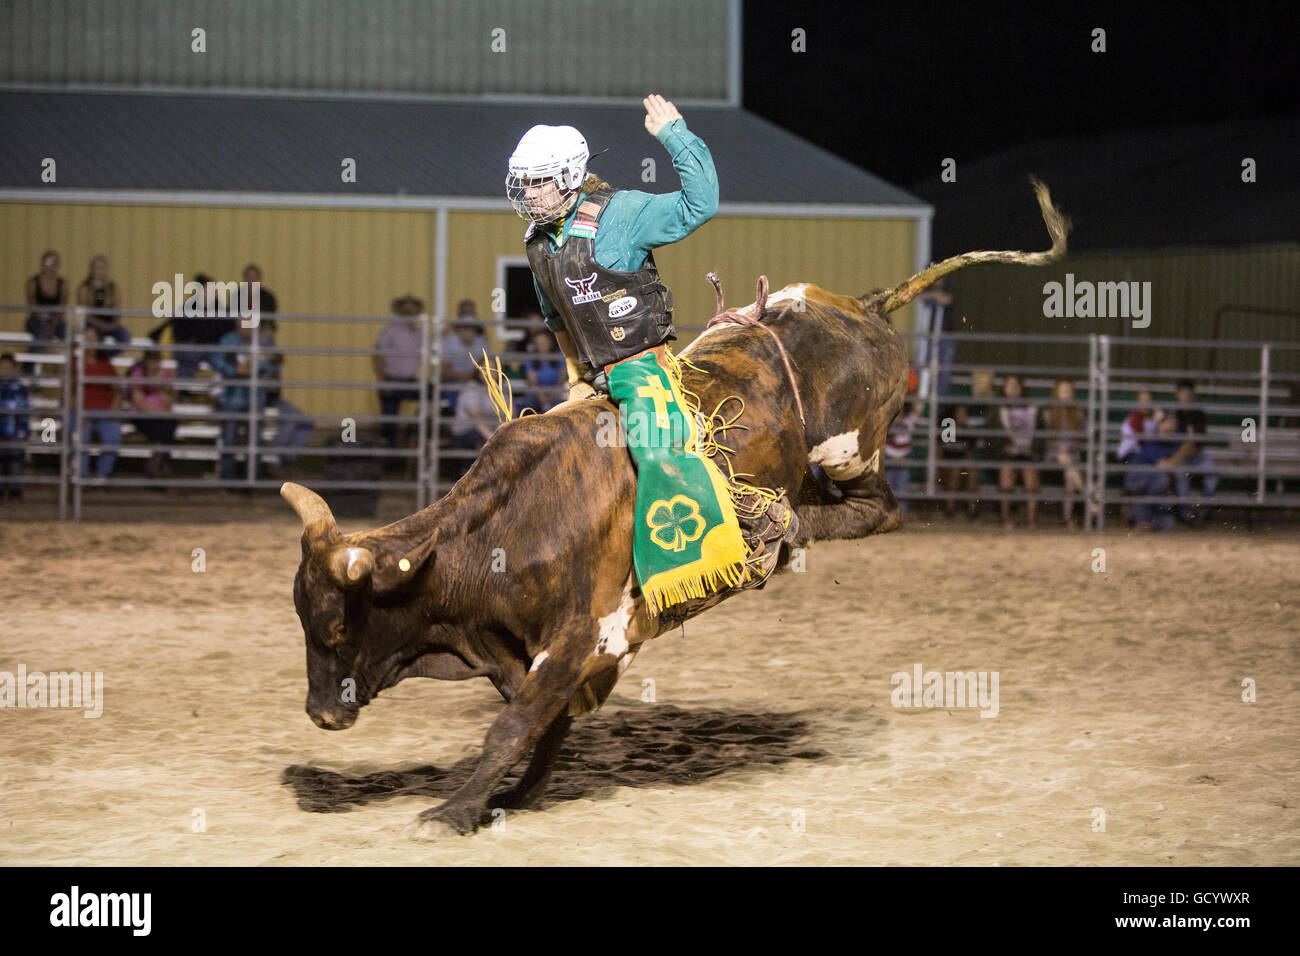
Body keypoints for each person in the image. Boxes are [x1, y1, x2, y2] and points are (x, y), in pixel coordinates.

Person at [508, 93, 793, 608]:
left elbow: (699, 205)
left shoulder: (625, 213)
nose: (529, 193)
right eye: (523, 182)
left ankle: (728, 541)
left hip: (643, 370)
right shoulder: (537, 243)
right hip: (594, 377)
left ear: (571, 177)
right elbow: (558, 318)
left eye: (539, 181)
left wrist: (674, 133)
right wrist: (575, 379)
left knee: (658, 451)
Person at [211, 320, 278, 482]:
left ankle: (252, 479)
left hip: (256, 397)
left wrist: (255, 366)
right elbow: (216, 360)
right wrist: (234, 370)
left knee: (254, 440)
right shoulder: (228, 340)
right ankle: (228, 480)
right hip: (232, 396)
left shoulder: (264, 341)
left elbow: (275, 365)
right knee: (229, 437)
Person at [373, 294, 428, 466]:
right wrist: (383, 380)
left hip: (411, 381)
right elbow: (378, 355)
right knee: (389, 422)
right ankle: (388, 463)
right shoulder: (390, 330)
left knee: (432, 396)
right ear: (400, 310)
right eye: (407, 308)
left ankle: (421, 455)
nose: (411, 312)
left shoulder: (420, 333)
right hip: (392, 379)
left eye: (414, 309)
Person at [258, 318, 312, 477]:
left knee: (306, 422)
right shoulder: (254, 348)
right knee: (291, 417)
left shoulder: (271, 349)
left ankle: (287, 459)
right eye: (267, 332)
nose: (271, 336)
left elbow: (276, 361)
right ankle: (276, 459)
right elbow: (265, 363)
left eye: (272, 332)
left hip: (273, 399)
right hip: (259, 398)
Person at [1163, 379, 1218, 522]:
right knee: (1181, 475)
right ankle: (1186, 515)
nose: (1186, 396)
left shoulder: (1199, 413)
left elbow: (1200, 439)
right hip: (1178, 455)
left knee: (1211, 470)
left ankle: (1205, 511)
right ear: (1177, 394)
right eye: (1183, 393)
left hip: (1196, 455)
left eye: (1189, 393)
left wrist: (1193, 448)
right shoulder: (1172, 412)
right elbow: (1168, 435)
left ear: (1193, 395)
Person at [74, 327, 123, 479]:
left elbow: (117, 390)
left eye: (93, 338)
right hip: (81, 410)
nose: (90, 341)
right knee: (82, 436)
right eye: (87, 338)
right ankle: (83, 476)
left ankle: (102, 475)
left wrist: (113, 410)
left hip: (104, 411)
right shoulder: (74, 364)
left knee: (113, 437)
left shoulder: (106, 365)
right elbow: (69, 393)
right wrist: (80, 412)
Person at [997, 373, 1039, 528]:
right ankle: (1005, 518)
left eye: (1015, 385)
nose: (1012, 389)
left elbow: (1040, 433)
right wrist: (1004, 446)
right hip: (1007, 454)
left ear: (1021, 388)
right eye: (1008, 385)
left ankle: (1031, 520)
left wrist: (1032, 448)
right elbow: (992, 434)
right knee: (1007, 475)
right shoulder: (998, 409)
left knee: (1031, 477)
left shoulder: (1032, 408)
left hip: (1028, 453)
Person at [1044, 378, 1087, 529]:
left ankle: (1068, 519)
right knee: (1068, 464)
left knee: (1070, 474)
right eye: (1063, 391)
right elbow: (1044, 438)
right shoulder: (1048, 412)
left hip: (1072, 454)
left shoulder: (1078, 413)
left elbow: (1082, 437)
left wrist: (1070, 448)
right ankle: (1088, 498)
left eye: (1069, 391)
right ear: (1057, 393)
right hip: (1052, 454)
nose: (1066, 394)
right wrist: (1059, 449)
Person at [127, 349, 177, 479]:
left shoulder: (166, 375)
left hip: (162, 416)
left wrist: (160, 384)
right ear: (145, 362)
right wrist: (159, 412)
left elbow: (168, 402)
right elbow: (139, 404)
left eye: (156, 361)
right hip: (142, 416)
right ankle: (161, 465)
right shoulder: (138, 374)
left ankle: (155, 464)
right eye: (151, 361)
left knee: (170, 424)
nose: (154, 365)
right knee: (163, 430)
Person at [1129, 412, 1182, 530]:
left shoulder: (1173, 443)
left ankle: (1141, 517)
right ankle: (1141, 518)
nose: (1173, 425)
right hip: (1139, 479)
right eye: (1169, 422)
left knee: (1168, 524)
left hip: (1154, 487)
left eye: (1174, 422)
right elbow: (1163, 466)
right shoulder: (1152, 440)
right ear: (1160, 424)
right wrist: (1182, 453)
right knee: (1161, 479)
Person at [440, 301, 490, 417]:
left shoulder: (482, 342)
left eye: (471, 327)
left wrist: (472, 377)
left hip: (476, 385)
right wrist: (472, 376)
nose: (468, 331)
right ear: (459, 328)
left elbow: (487, 368)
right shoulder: (448, 342)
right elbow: (445, 373)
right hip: (454, 386)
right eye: (464, 327)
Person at [77, 255, 131, 357]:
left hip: (110, 324)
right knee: (94, 338)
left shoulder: (113, 287)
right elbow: (85, 313)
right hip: (92, 324)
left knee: (125, 337)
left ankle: (105, 357)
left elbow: (117, 310)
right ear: (92, 270)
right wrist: (100, 325)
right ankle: (99, 357)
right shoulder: (85, 288)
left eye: (102, 268)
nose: (100, 272)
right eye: (97, 268)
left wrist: (113, 325)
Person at [937, 403, 980, 519]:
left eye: (964, 413)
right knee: (956, 471)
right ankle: (950, 509)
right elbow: (940, 452)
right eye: (960, 413)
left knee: (971, 473)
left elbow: (970, 454)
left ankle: (972, 510)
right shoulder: (947, 429)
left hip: (963, 467)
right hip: (948, 465)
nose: (963, 416)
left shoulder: (969, 432)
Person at [884, 389, 919, 518]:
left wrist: (913, 393)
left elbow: (918, 408)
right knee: (888, 489)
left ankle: (901, 516)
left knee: (902, 488)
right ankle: (888, 516)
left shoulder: (910, 419)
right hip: (888, 458)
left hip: (903, 458)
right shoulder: (888, 419)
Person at [0, 353, 30, 501]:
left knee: (14, 462)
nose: (4, 370)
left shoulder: (20, 388)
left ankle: (14, 491)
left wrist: (23, 433)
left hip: (14, 431)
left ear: (14, 369)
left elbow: (24, 412)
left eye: (8, 368)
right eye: (2, 367)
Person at [25, 250, 66, 351]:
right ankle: (31, 365)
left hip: (56, 321)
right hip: (36, 320)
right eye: (49, 263)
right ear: (42, 264)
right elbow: (33, 308)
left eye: (55, 263)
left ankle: (71, 364)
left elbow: (62, 308)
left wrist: (53, 325)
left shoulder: (63, 284)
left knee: (69, 333)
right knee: (40, 333)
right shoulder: (33, 283)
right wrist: (46, 325)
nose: (51, 266)